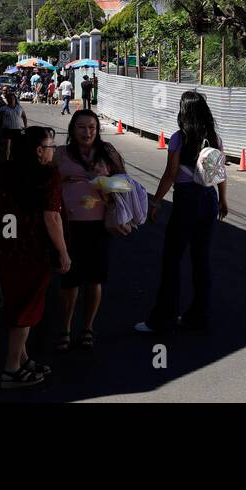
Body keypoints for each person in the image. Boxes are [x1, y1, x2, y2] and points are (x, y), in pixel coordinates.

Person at [137, 91, 228, 333]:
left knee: (172, 259)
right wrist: (223, 199)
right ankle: (198, 317)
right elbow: (220, 172)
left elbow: (170, 173)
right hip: (208, 199)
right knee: (201, 259)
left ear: (183, 111)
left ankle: (162, 319)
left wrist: (155, 202)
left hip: (186, 199)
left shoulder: (179, 138)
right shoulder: (214, 138)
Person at [0, 125, 69, 388]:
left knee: (16, 303)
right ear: (39, 151)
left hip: (6, 247)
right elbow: (52, 217)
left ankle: (23, 359)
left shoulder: (4, 170)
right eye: (51, 147)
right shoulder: (49, 176)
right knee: (26, 310)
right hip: (33, 249)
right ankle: (11, 369)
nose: (54, 152)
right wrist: (63, 252)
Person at [56, 110, 125, 351]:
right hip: (68, 226)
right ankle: (65, 328)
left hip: (99, 225)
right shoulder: (61, 154)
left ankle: (87, 328)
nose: (88, 132)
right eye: (82, 127)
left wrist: (104, 182)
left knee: (95, 279)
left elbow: (123, 184)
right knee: (70, 279)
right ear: (73, 130)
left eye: (92, 128)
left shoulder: (107, 153)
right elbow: (49, 185)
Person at [0, 90, 28, 160]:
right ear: (7, 100)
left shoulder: (19, 108)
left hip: (17, 130)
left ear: (15, 99)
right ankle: (6, 161)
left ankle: (13, 160)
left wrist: (25, 126)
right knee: (7, 147)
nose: (11, 100)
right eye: (9, 99)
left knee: (15, 147)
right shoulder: (3, 109)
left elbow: (24, 117)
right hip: (7, 130)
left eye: (12, 98)